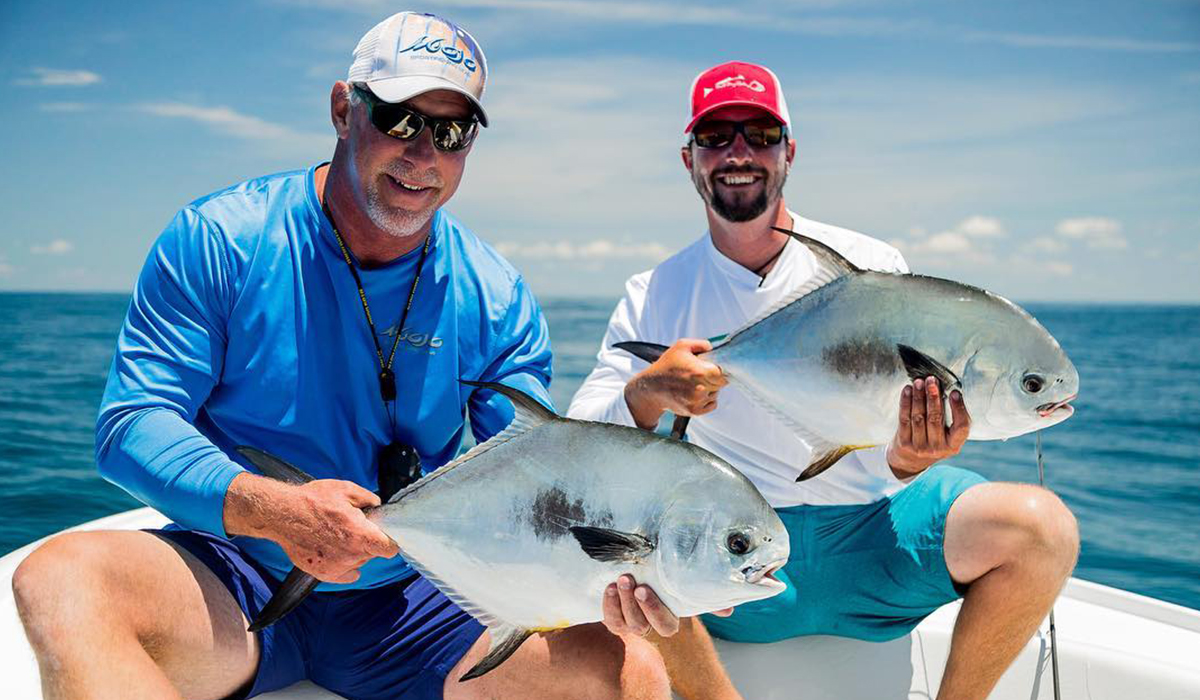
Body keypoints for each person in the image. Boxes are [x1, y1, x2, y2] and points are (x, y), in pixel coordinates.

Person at [13, 12, 672, 700]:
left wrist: (622, 568)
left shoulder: (498, 296)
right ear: (342, 109)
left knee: (628, 670)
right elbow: (130, 425)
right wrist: (273, 511)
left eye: (450, 132)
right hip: (232, 578)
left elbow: (531, 478)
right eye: (399, 119)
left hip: (415, 598)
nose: (423, 154)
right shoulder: (220, 238)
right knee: (62, 578)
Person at [567, 60, 1081, 700]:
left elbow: (887, 453)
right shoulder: (654, 293)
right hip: (738, 560)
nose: (738, 153)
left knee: (1041, 527)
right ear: (688, 157)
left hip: (875, 536)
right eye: (715, 136)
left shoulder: (874, 266)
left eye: (759, 135)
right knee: (631, 564)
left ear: (789, 151)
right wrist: (645, 393)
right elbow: (582, 441)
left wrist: (908, 458)